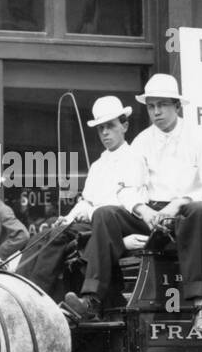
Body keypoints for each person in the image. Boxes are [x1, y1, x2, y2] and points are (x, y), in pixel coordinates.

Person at [64, 74, 202, 335]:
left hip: (186, 214)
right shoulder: (141, 142)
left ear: (177, 106)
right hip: (150, 215)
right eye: (151, 106)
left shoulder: (199, 138)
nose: (156, 112)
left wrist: (180, 203)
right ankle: (92, 300)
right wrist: (142, 210)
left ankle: (200, 307)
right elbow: (127, 189)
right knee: (105, 213)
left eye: (162, 105)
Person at [17, 95, 141, 300]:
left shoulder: (135, 159)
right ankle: (19, 288)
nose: (105, 133)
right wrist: (68, 218)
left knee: (57, 237)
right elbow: (86, 200)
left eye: (110, 126)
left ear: (124, 126)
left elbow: (128, 202)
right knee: (42, 235)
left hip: (113, 223)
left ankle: (36, 295)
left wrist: (84, 216)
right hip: (91, 220)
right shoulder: (98, 165)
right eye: (101, 128)